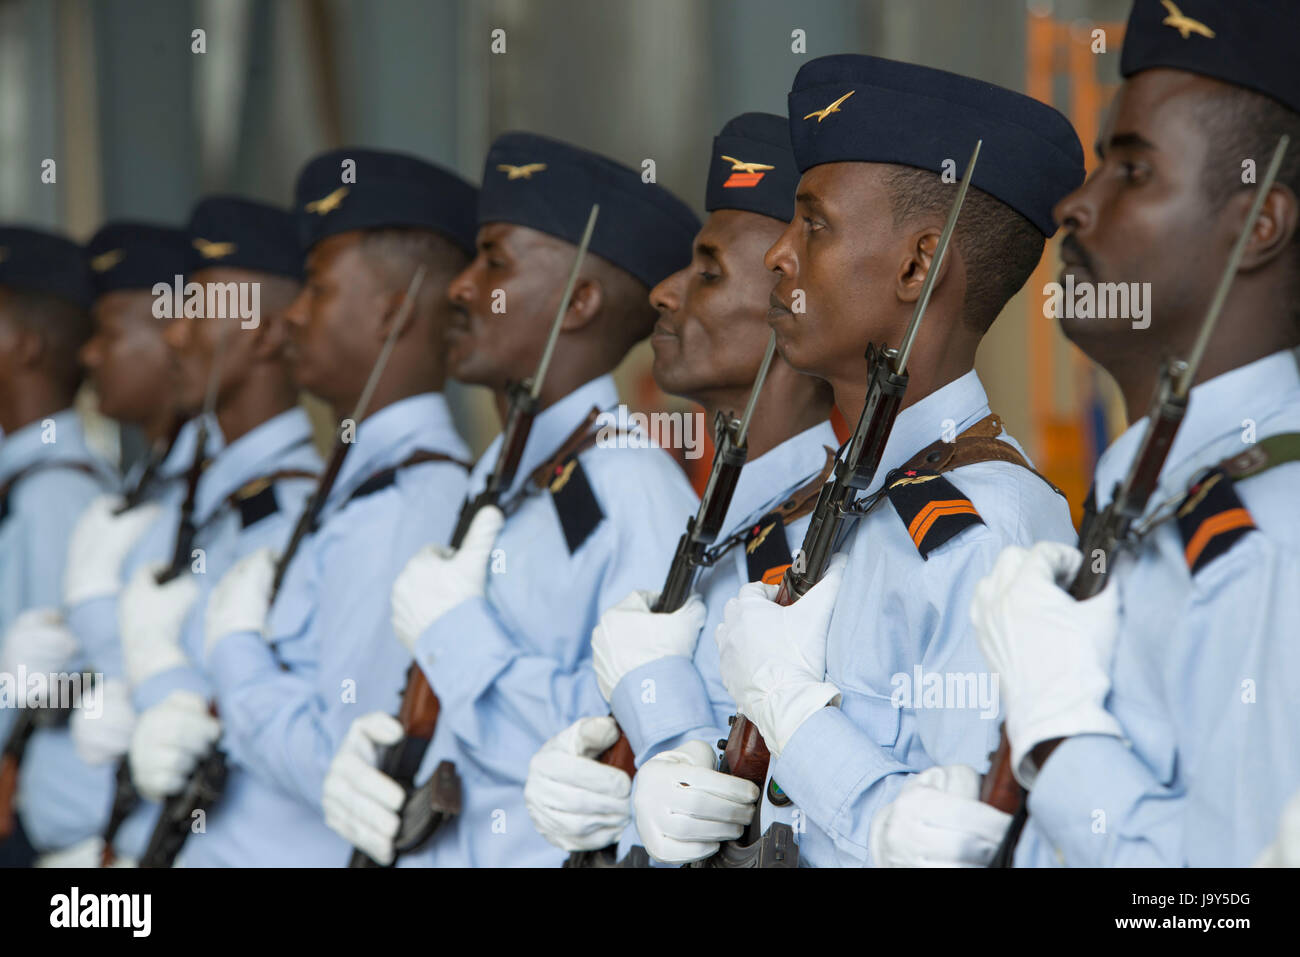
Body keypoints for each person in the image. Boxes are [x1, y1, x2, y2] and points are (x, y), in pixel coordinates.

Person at [871, 0, 1300, 868]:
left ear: (1258, 224)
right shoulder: (1143, 486)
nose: (1075, 204)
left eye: (1133, 172)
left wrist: (1061, 740)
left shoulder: (1267, 541)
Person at [641, 53, 1086, 866]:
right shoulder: (838, 501)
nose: (779, 254)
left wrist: (798, 719)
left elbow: (967, 847)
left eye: (812, 222)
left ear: (918, 266)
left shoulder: (977, 532)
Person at [321, 131, 702, 867]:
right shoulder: (501, 467)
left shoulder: (629, 484)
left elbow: (626, 739)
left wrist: (455, 634)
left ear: (580, 300)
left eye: (494, 261)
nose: (462, 287)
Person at [520, 113, 837, 862]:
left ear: (789, 294)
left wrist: (665, 723)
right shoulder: (723, 518)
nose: (664, 293)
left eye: (707, 270)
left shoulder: (825, 530)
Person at [198, 149, 478, 865]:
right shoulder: (359, 480)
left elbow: (352, 761)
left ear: (391, 313)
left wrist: (235, 655)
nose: (291, 314)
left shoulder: (406, 501)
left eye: (316, 289)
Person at [94, 196, 323, 867]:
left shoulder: (292, 508)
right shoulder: (195, 489)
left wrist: (164, 685)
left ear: (264, 331)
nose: (174, 332)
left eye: (200, 307)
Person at [0, 226, 113, 866]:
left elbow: (80, 679)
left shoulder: (57, 495)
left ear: (27, 345)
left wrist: (14, 738)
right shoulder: (24, 479)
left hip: (48, 826)